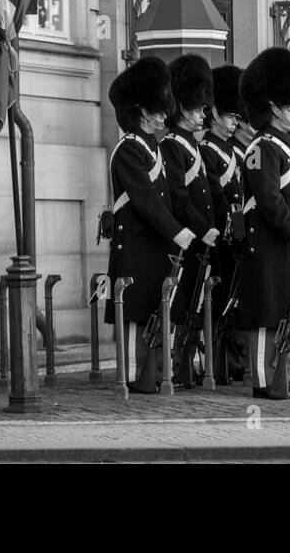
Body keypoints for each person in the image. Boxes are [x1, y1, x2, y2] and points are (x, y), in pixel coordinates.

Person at [104, 57, 203, 394]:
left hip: (156, 245)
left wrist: (176, 232)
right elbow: (145, 199)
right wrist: (176, 230)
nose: (164, 115)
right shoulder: (128, 150)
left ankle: (155, 371)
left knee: (155, 310)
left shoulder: (152, 147)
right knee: (135, 316)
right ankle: (132, 376)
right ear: (142, 112)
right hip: (135, 245)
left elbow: (168, 198)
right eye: (158, 110)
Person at [238, 47, 290, 399]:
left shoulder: (283, 144)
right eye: (289, 107)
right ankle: (264, 380)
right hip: (270, 244)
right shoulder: (262, 147)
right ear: (272, 107)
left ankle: (281, 378)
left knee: (285, 314)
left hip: (287, 244)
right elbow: (271, 203)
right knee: (266, 316)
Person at [162, 54, 220, 386]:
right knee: (183, 306)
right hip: (187, 240)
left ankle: (188, 365)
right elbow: (179, 198)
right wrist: (203, 228)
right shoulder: (173, 144)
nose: (203, 114)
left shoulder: (190, 144)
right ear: (183, 107)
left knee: (196, 308)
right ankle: (177, 366)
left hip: (202, 240)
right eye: (199, 109)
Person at [202, 64, 247, 384]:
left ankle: (234, 362)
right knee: (220, 307)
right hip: (220, 239)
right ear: (214, 113)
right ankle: (219, 364)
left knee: (237, 306)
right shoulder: (207, 149)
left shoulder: (237, 150)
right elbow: (215, 196)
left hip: (239, 237)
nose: (235, 123)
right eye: (230, 116)